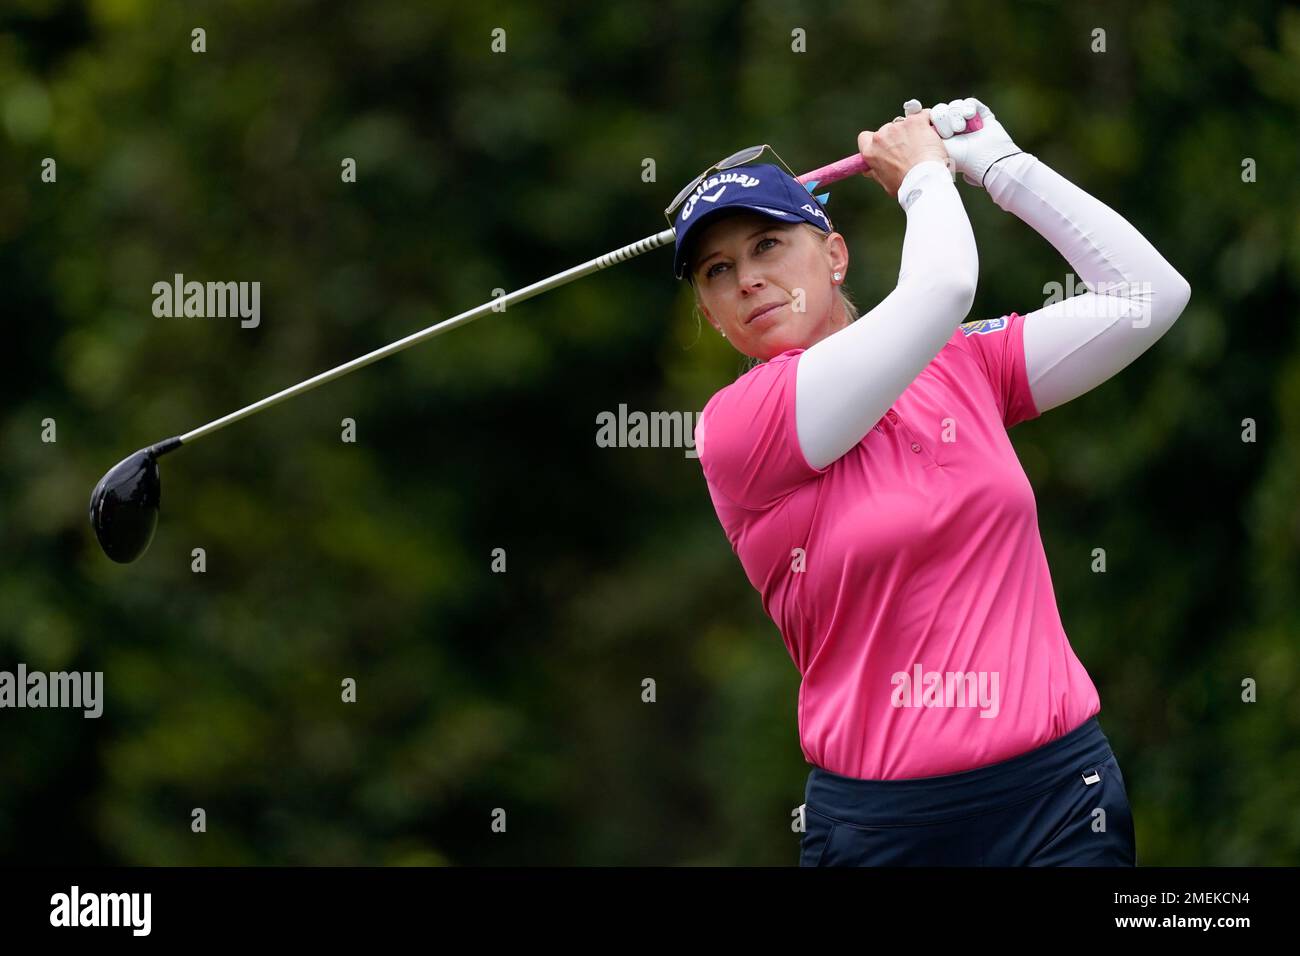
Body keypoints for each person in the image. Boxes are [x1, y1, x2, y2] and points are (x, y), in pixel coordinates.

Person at [667, 97, 1191, 866]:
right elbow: (943, 287)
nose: (748, 279)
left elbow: (1150, 299)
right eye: (719, 270)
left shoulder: (962, 362)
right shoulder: (739, 428)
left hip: (1060, 799)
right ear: (710, 312)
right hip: (891, 832)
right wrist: (923, 179)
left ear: (835, 255)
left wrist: (1003, 169)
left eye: (769, 245)